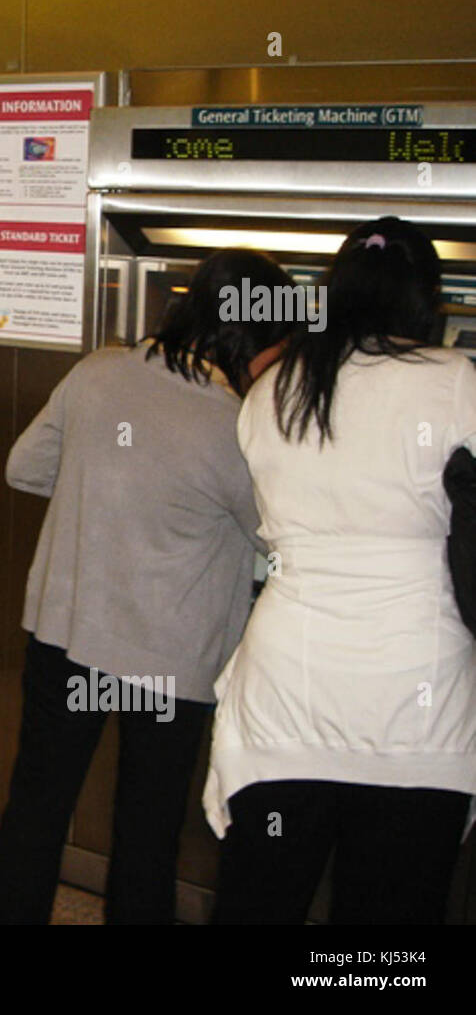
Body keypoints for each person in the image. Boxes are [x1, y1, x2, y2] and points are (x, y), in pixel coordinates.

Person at [0, 250, 295, 924]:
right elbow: (275, 541)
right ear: (247, 337)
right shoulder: (236, 426)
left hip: (65, 637)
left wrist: (102, 490)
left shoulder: (97, 372)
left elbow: (23, 467)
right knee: (147, 836)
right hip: (169, 667)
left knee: (35, 810)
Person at [206, 217, 476, 925]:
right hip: (416, 709)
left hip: (284, 697)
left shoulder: (272, 391)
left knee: (259, 906)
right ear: (426, 299)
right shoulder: (456, 382)